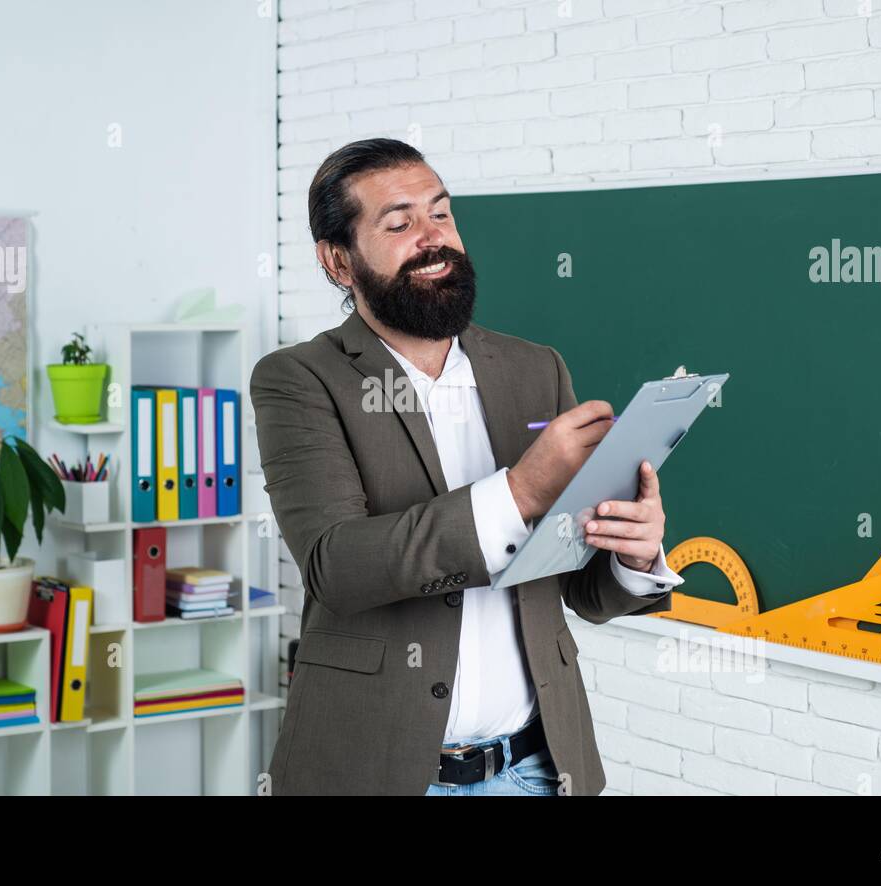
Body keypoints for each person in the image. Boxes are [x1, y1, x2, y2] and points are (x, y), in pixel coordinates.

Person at [251, 137, 684, 796]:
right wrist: (519, 492)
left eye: (441, 214)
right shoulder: (299, 379)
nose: (433, 238)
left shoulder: (537, 369)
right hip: (380, 776)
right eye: (398, 224)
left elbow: (578, 589)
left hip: (537, 770)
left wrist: (633, 554)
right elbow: (336, 565)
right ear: (339, 262)